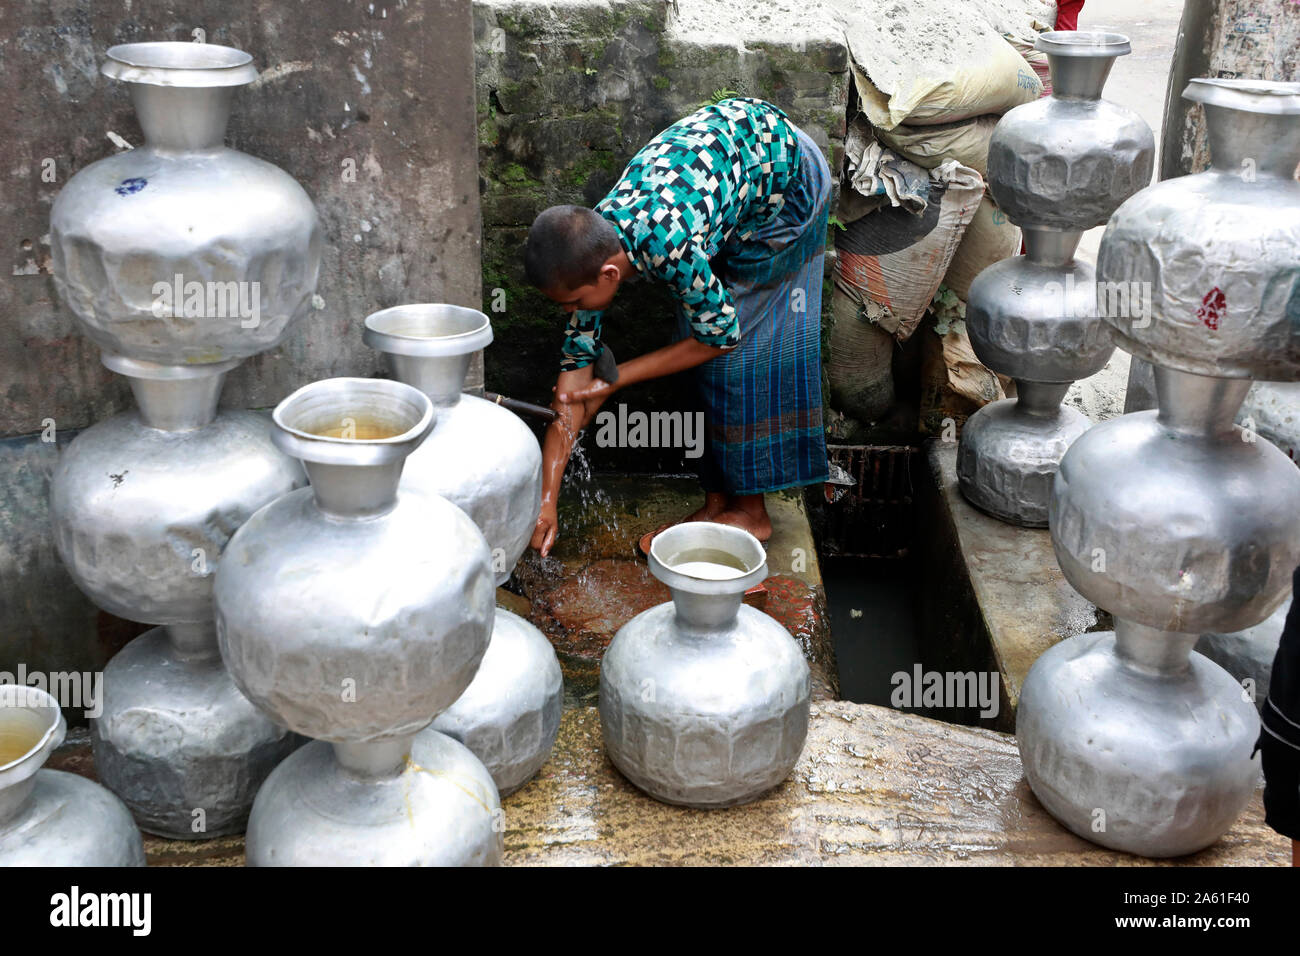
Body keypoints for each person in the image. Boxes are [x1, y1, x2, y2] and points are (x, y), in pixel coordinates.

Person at [524, 97, 831, 557]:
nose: (572, 312)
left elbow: (721, 338)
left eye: (572, 303)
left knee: (734, 360)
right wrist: (545, 503)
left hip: (786, 184)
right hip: (732, 168)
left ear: (608, 276)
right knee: (688, 344)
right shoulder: (595, 245)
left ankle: (751, 512)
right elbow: (567, 395)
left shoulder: (668, 247)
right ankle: (717, 502)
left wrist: (616, 379)